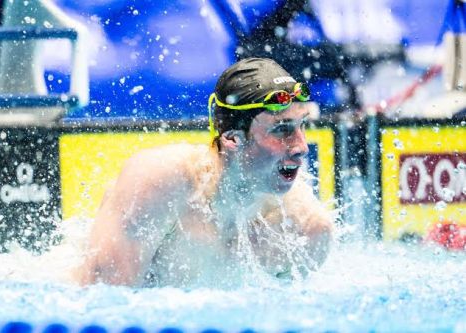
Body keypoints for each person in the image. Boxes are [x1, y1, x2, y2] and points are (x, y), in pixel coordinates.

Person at [77, 58, 334, 287]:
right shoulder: (160, 183)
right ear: (233, 139)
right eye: (281, 130)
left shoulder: (307, 230)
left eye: (301, 126)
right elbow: (103, 301)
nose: (301, 147)